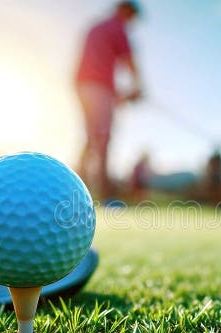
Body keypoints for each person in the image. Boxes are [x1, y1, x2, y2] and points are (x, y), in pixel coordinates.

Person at [75, 1, 143, 199]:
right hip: (97, 87)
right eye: (131, 15)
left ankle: (75, 189)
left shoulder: (97, 27)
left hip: (84, 85)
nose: (131, 21)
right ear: (124, 11)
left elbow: (98, 66)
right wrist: (138, 88)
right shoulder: (116, 27)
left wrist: (119, 95)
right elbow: (129, 62)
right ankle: (104, 195)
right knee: (102, 137)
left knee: (91, 136)